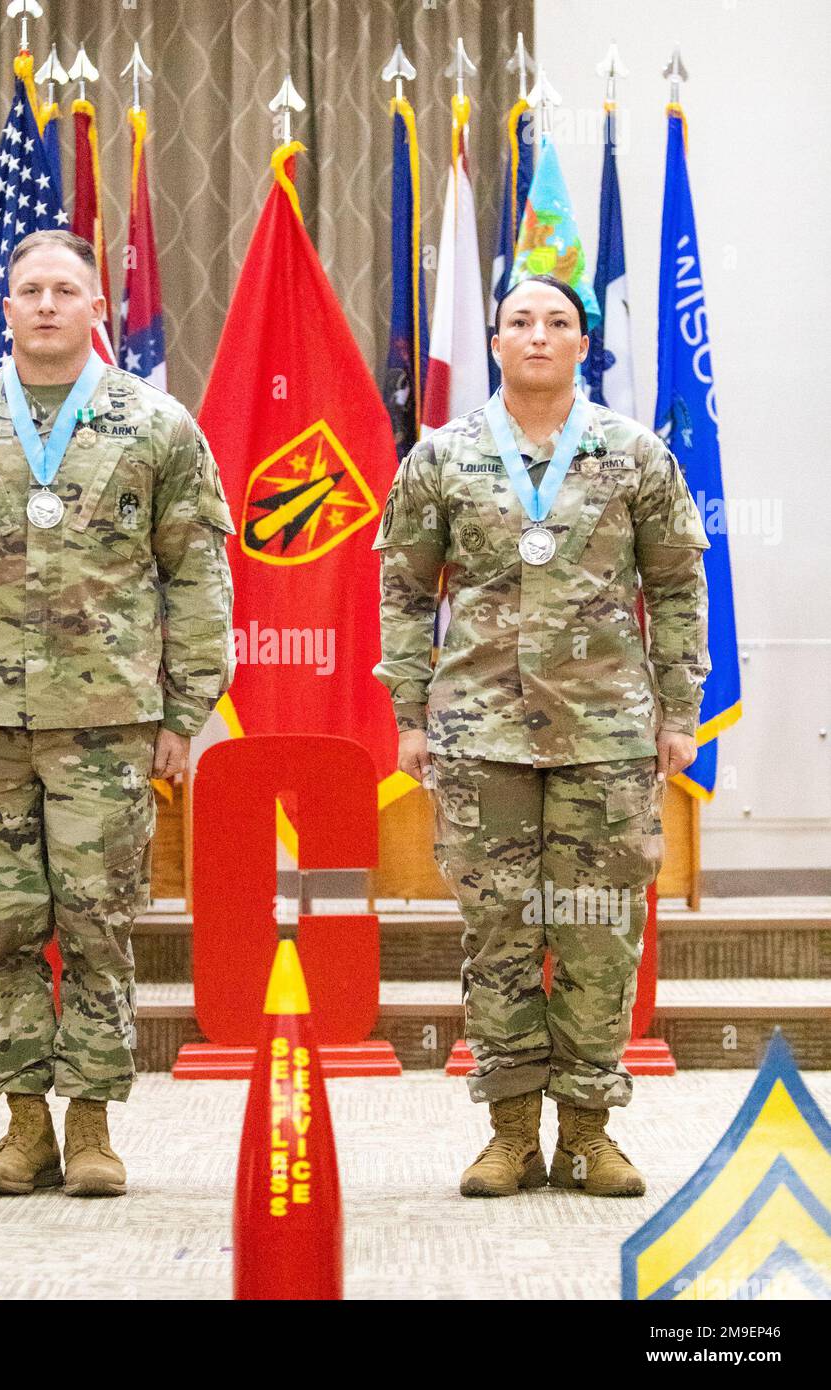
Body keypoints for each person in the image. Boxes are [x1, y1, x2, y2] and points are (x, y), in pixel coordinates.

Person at [0, 229, 235, 1197]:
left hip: (109, 721)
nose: (46, 304)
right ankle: (22, 1123)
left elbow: (196, 575)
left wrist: (185, 706)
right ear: (6, 307)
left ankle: (91, 1125)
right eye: (29, 289)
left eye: (65, 290)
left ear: (96, 310)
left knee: (96, 920)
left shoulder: (156, 426)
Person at [373, 273, 709, 1198]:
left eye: (556, 322)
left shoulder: (632, 454)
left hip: (606, 733)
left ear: (580, 344)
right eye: (519, 320)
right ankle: (511, 1131)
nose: (536, 335)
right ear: (493, 341)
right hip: (480, 734)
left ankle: (590, 1132)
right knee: (501, 934)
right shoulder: (440, 456)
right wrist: (408, 715)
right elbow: (404, 593)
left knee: (599, 932)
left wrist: (678, 712)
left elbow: (677, 587)